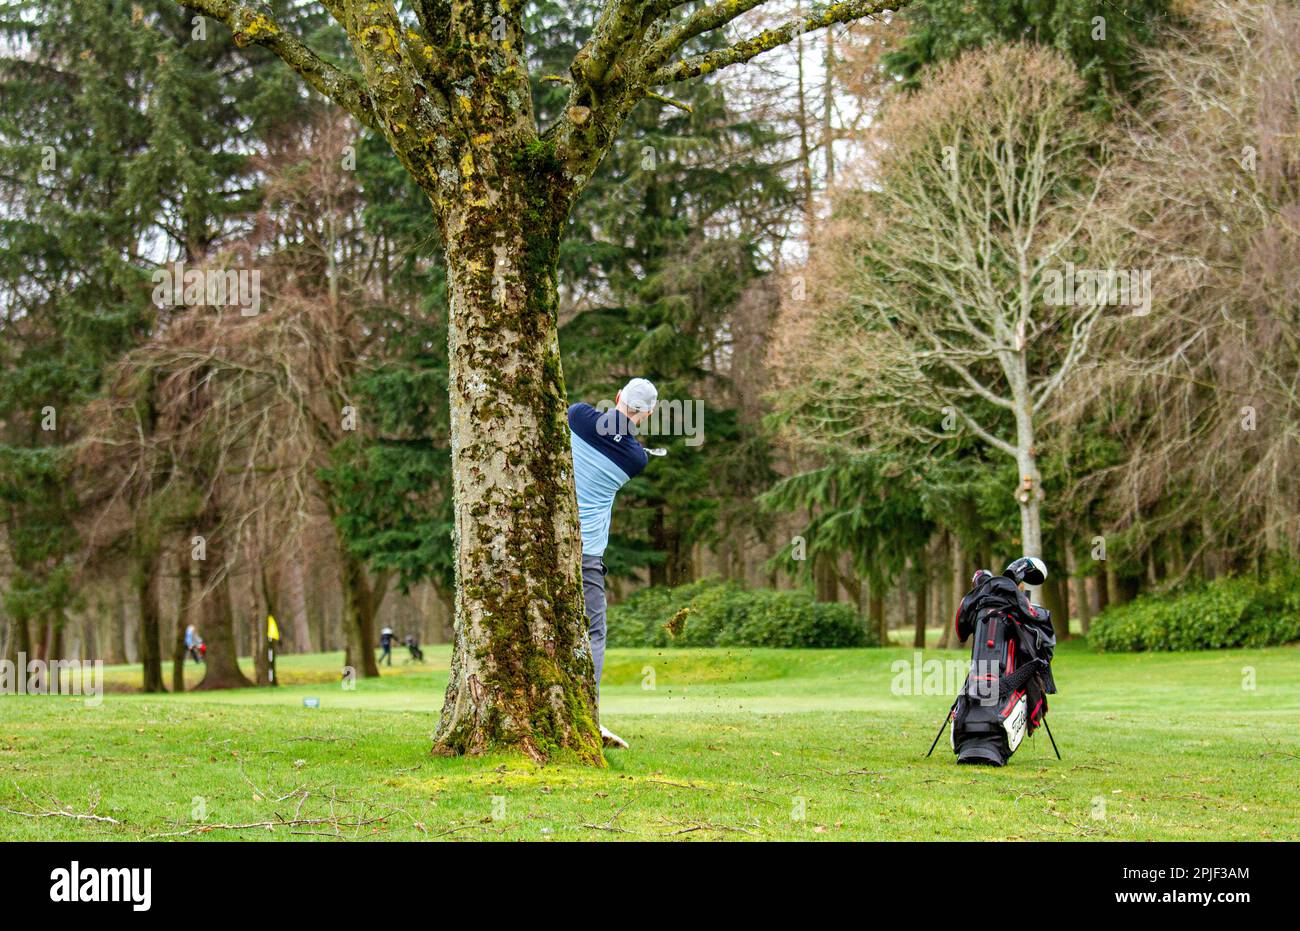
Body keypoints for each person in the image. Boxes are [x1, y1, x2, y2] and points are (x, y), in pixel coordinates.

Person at [568, 377, 658, 750]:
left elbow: (603, 427)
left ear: (618, 396)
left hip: (547, 541)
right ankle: (587, 714)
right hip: (587, 553)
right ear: (648, 413)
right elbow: (623, 441)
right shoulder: (636, 459)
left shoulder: (578, 416)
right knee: (594, 631)